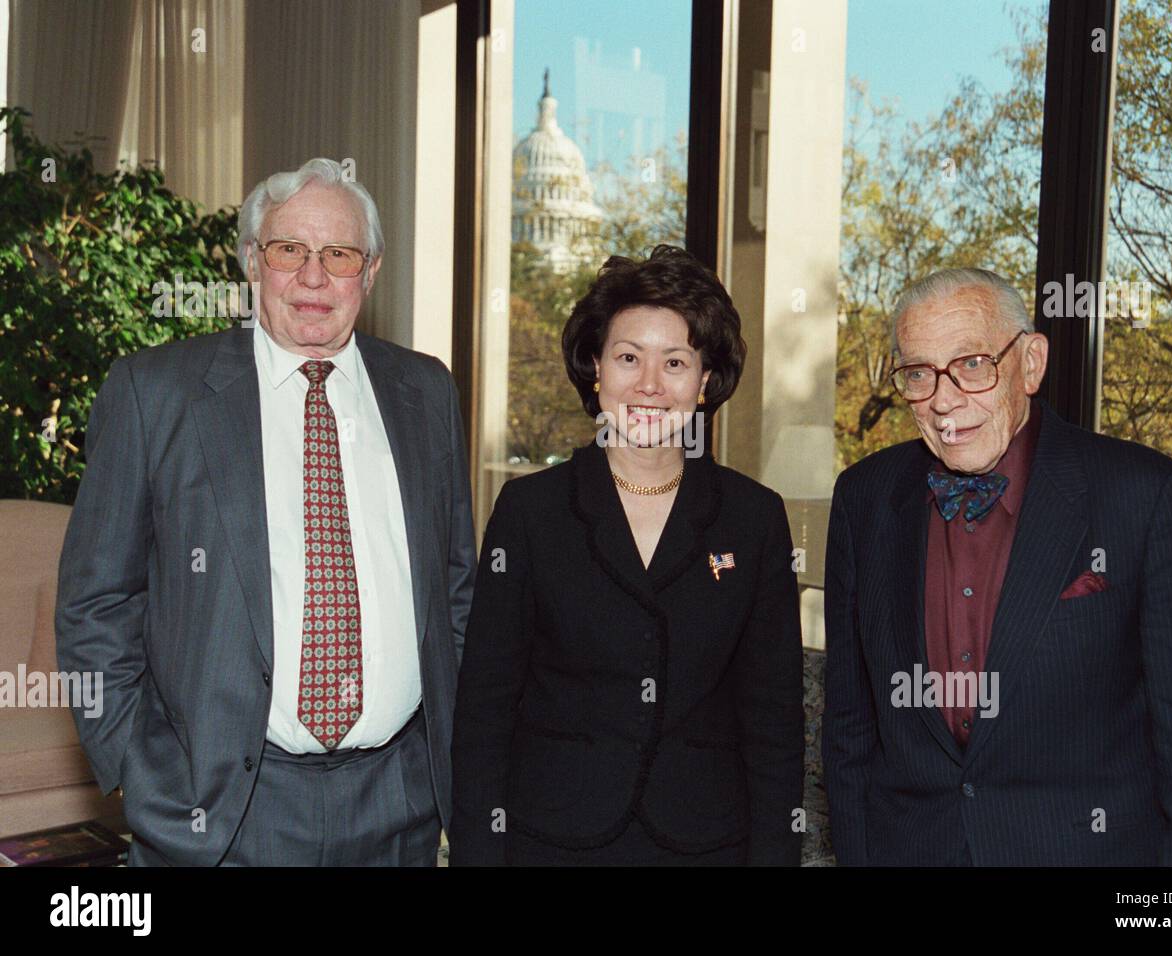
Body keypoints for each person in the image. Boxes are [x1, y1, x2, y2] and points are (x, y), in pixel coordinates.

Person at [56, 158, 476, 866]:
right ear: (253, 262)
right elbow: (96, 603)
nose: (313, 278)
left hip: (402, 805)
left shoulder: (426, 392)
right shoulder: (155, 394)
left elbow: (458, 588)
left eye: (338, 254)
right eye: (290, 251)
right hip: (222, 812)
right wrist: (140, 770)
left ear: (369, 272)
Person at [822, 267, 1172, 866]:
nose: (944, 399)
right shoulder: (864, 498)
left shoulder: (1145, 495)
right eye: (919, 374)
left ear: (1030, 363)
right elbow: (850, 729)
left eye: (973, 364)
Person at [450, 244, 804, 865]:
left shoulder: (754, 519)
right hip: (551, 841)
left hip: (706, 844)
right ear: (595, 368)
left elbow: (774, 724)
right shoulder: (529, 511)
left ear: (704, 382)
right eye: (627, 357)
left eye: (674, 361)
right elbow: (485, 710)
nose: (648, 384)